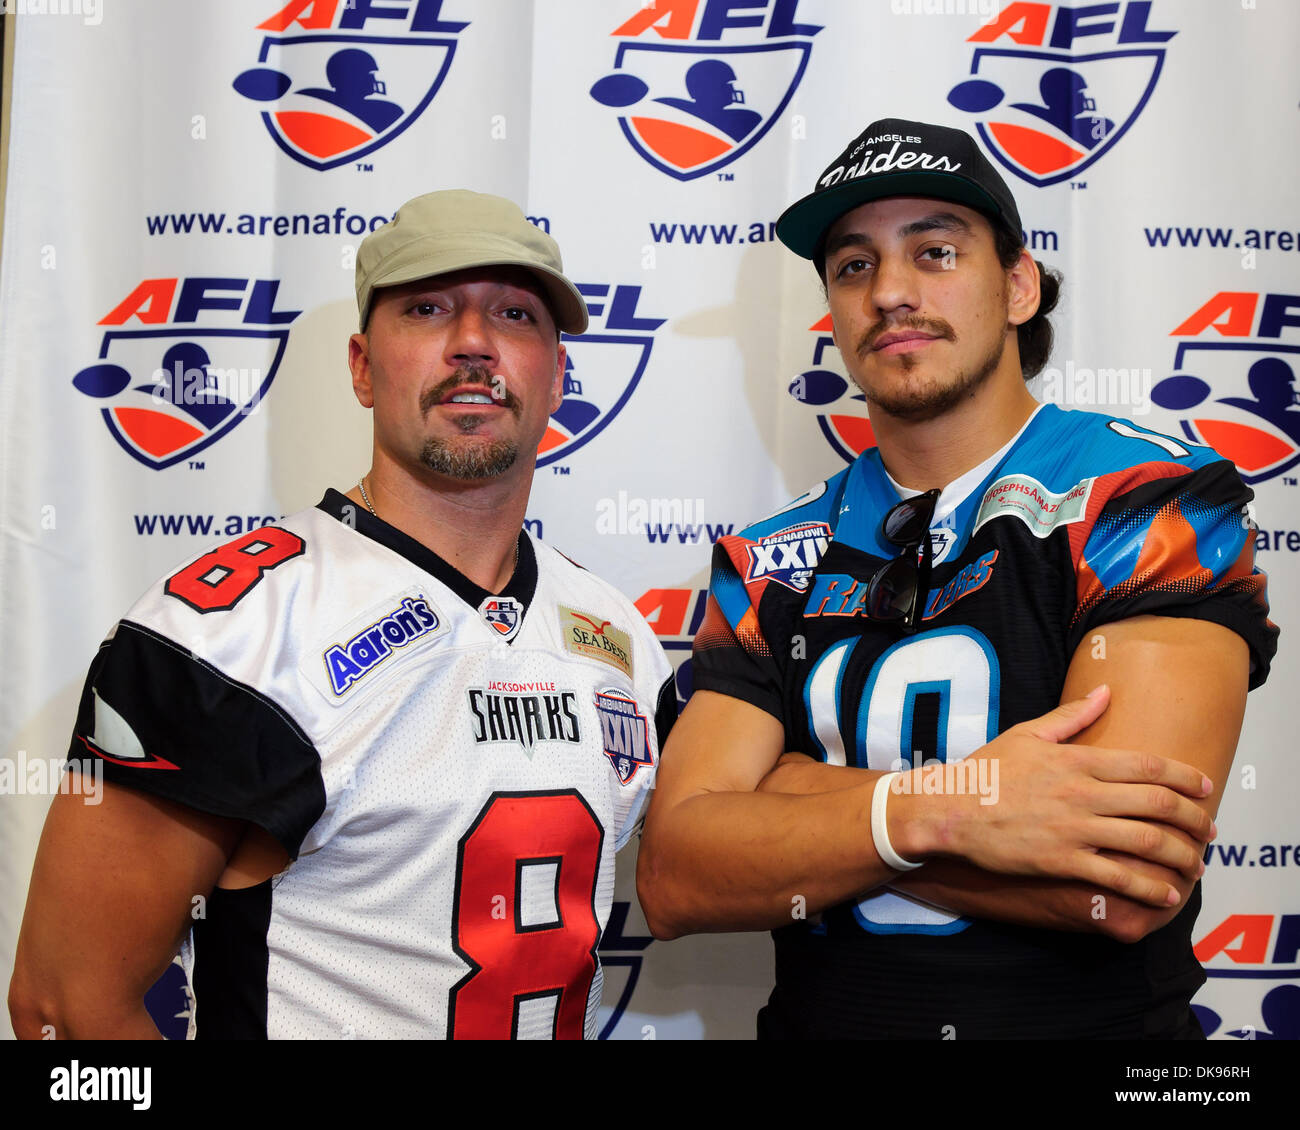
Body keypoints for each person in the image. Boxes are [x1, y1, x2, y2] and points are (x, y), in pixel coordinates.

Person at [636, 118, 1278, 1039]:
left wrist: (794, 794)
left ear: (1018, 286)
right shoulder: (768, 554)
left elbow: (1120, 882)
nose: (891, 292)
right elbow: (677, 876)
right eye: (854, 267)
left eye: (934, 252)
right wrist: (951, 809)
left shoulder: (1146, 495)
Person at [9, 190, 675, 1040]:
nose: (473, 343)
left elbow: (701, 865)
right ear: (362, 367)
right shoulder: (229, 635)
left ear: (558, 375)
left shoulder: (616, 636)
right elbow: (64, 1009)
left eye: (514, 314)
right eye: (428, 308)